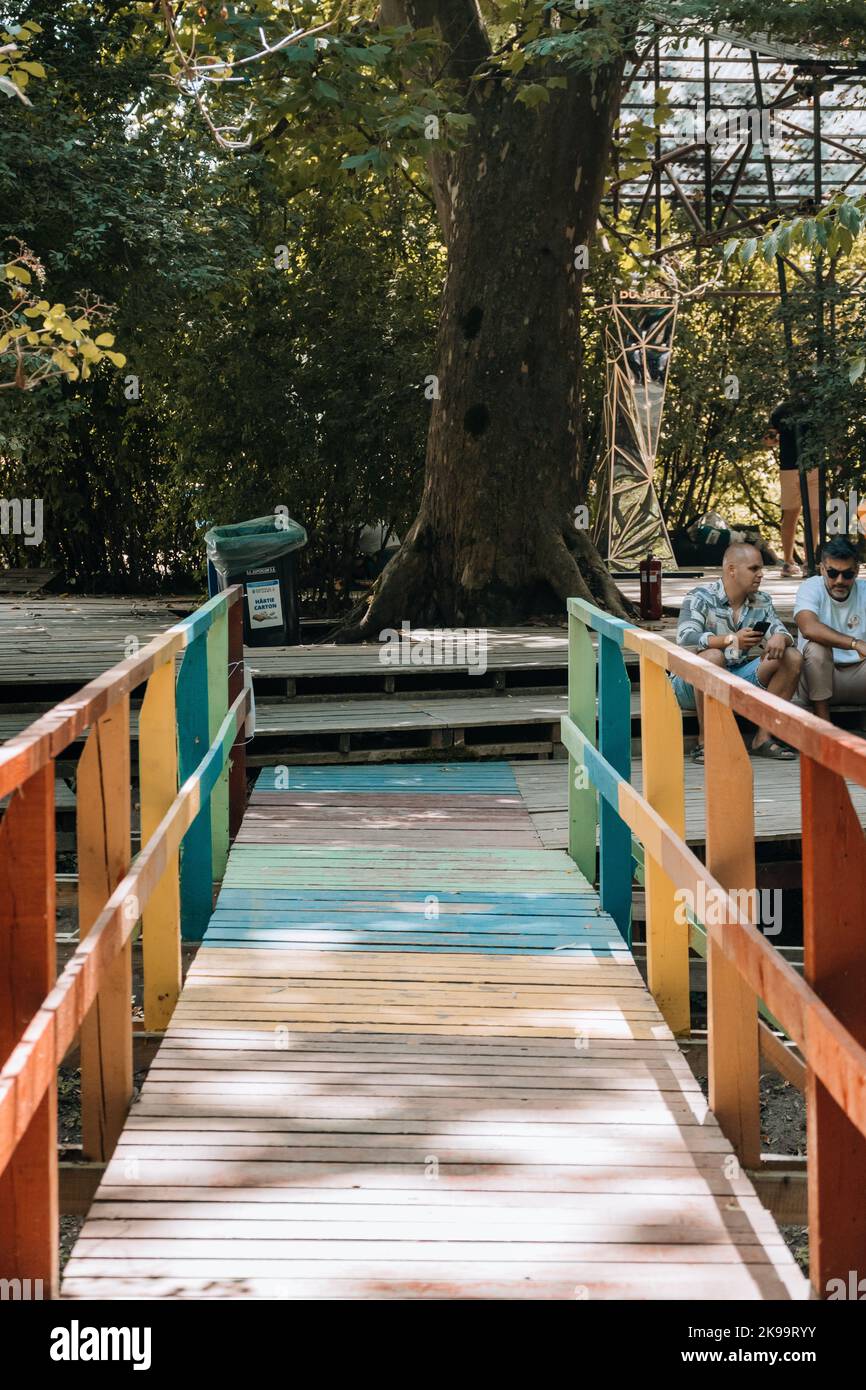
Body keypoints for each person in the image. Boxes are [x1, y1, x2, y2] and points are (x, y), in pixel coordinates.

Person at [672, 542, 803, 763]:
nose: (761, 575)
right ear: (732, 570)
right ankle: (706, 742)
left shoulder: (762, 600)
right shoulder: (700, 597)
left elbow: (779, 630)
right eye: (754, 569)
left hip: (736, 676)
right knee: (713, 656)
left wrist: (781, 637)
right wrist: (730, 640)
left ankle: (763, 738)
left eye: (761, 569)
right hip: (691, 682)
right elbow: (686, 638)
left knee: (792, 656)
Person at [794, 536, 866, 723]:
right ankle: (822, 722)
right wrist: (854, 643)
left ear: (857, 571)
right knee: (816, 648)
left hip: (859, 676)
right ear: (822, 569)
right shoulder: (811, 587)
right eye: (833, 573)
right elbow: (808, 628)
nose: (840, 581)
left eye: (848, 574)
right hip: (817, 681)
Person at [763, 398, 819, 578]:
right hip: (813, 466)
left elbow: (768, 441)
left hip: (788, 467)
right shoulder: (816, 405)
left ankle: (788, 562)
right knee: (814, 514)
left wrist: (782, 437)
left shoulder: (780, 411)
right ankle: (809, 563)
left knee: (790, 514)